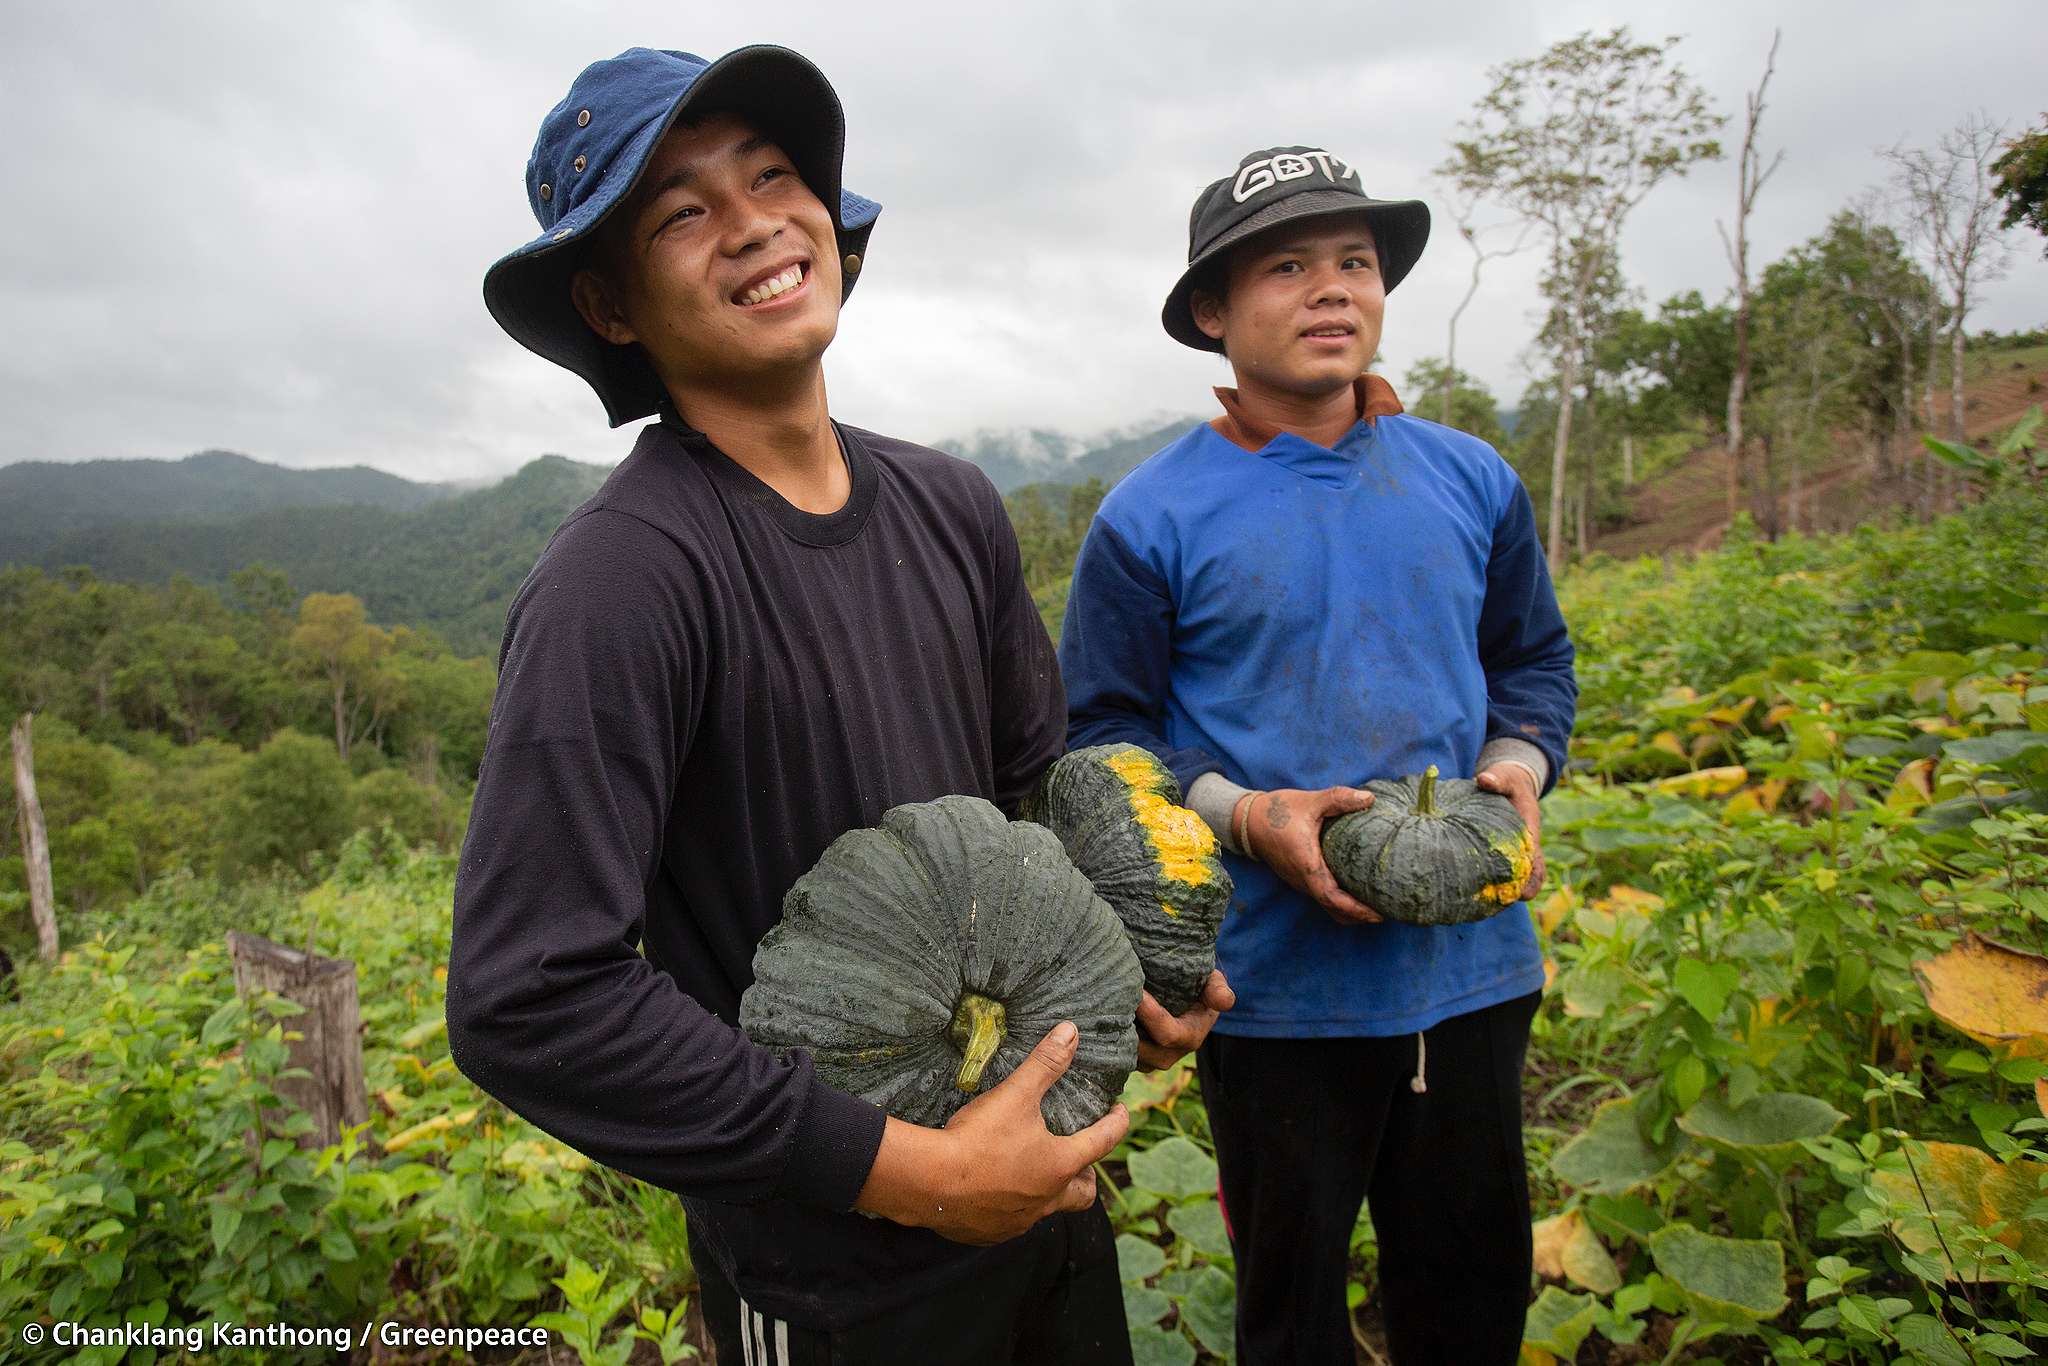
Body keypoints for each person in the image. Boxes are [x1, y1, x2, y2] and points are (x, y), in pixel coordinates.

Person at [448, 45, 1220, 1365]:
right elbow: (531, 995)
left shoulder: (952, 505)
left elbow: (1039, 792)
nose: (752, 220)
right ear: (610, 302)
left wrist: (1127, 976)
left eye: (773, 175)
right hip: (834, 1286)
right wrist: (911, 1171)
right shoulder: (623, 581)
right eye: (682, 210)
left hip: (1051, 1207)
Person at [1058, 146, 1578, 1364]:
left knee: (1470, 1293)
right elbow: (1106, 736)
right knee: (1291, 1317)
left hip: (1472, 968)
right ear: (1211, 313)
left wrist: (1517, 766)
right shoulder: (1150, 515)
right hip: (1268, 993)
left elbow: (1533, 665)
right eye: (1286, 266)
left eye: (1354, 261)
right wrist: (1248, 817)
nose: (1332, 288)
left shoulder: (1470, 477)